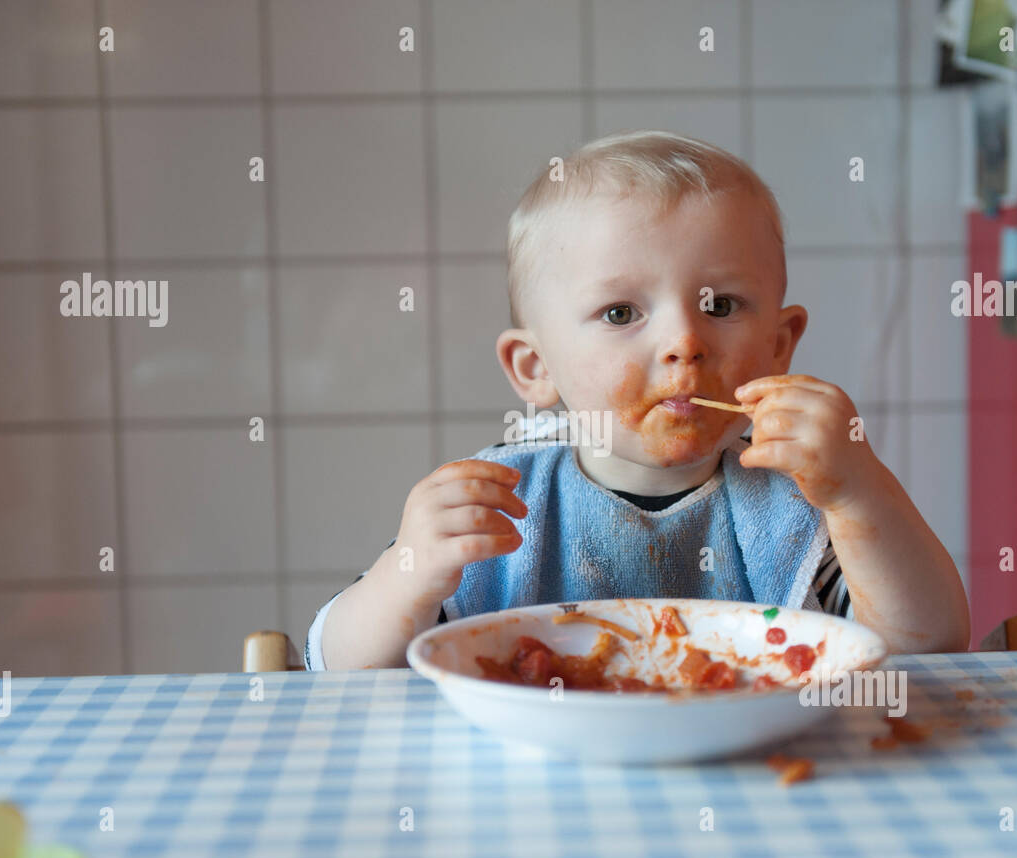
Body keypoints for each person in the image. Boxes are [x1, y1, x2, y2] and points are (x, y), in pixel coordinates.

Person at [308, 130, 969, 670]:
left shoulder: (795, 505)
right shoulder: (499, 506)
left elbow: (931, 643)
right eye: (622, 311)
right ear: (535, 367)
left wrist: (860, 491)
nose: (684, 339)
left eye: (722, 305)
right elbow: (336, 663)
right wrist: (411, 568)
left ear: (778, 345)